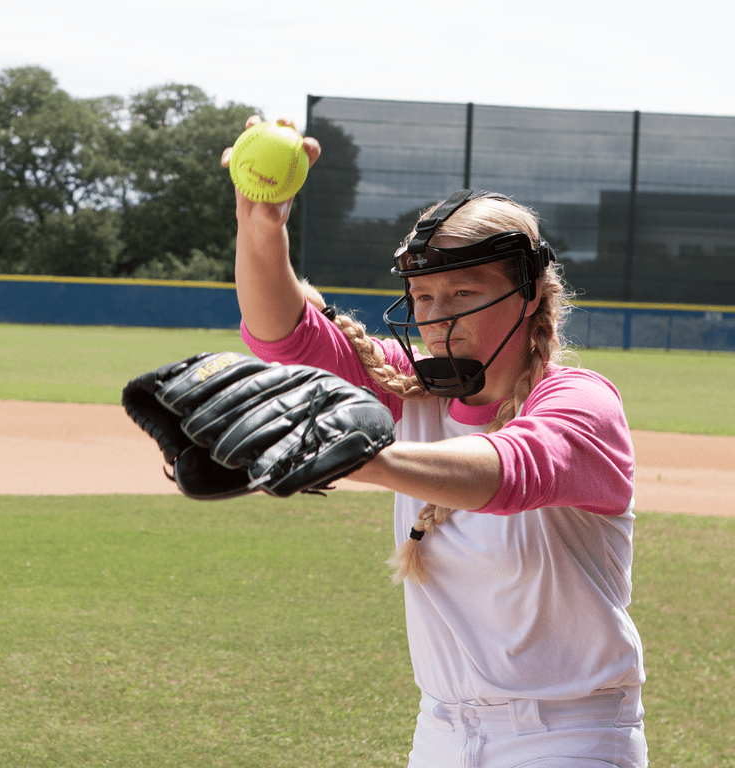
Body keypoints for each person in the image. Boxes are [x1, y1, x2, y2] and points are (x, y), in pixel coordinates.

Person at [222, 116, 648, 768]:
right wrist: (260, 227)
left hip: (569, 735)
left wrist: (359, 456)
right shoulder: (413, 388)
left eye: (462, 292)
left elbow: (507, 470)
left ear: (530, 294)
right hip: (442, 733)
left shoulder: (580, 401)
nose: (437, 318)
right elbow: (287, 337)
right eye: (422, 295)